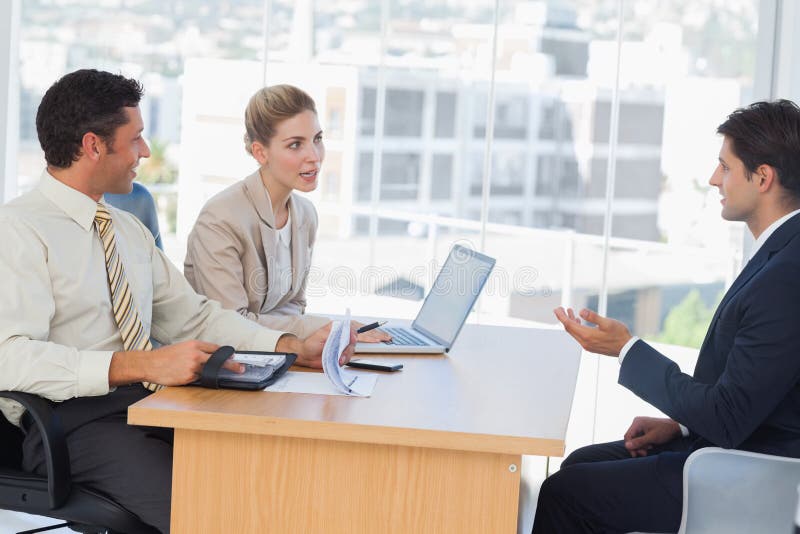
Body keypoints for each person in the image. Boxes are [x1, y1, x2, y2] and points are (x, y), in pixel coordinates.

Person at [0, 69, 355, 534]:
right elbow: (9, 358)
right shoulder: (19, 231)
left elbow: (194, 317)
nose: (146, 152)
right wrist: (140, 366)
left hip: (155, 403)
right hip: (73, 425)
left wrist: (288, 345)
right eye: (136, 139)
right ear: (93, 145)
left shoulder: (126, 230)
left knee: (277, 481)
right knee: (221, 516)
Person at [534, 99, 800, 533]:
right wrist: (677, 424)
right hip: (728, 444)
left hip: (743, 474)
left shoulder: (787, 275)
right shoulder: (781, 251)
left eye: (726, 167)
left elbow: (730, 416)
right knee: (581, 465)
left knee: (566, 494)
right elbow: (753, 384)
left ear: (764, 177)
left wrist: (626, 349)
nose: (715, 179)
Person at [184, 84, 390, 343]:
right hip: (220, 363)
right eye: (295, 145)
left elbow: (295, 306)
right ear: (261, 152)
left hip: (280, 356)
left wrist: (329, 334)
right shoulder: (220, 219)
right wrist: (331, 328)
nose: (314, 156)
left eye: (317, 139)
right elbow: (231, 325)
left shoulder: (304, 215)